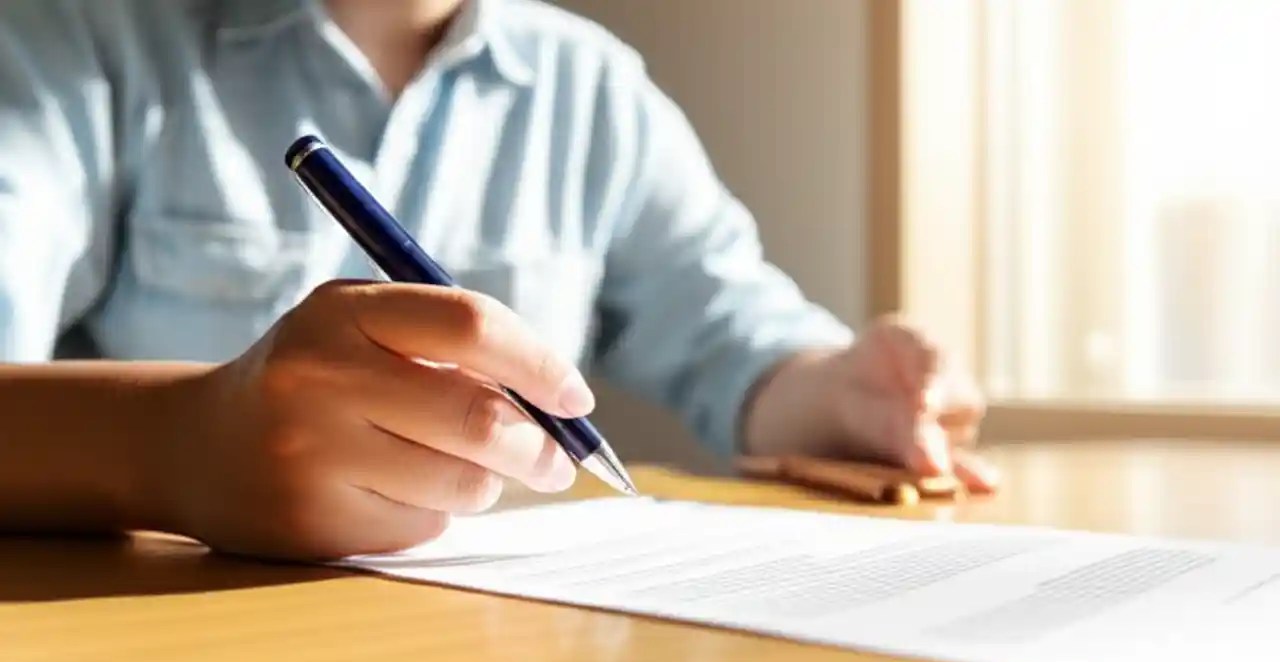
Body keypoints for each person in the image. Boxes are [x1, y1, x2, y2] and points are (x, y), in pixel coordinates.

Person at [0, 0, 994, 560]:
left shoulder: (591, 85)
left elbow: (730, 328)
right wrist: (179, 444)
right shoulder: (83, 38)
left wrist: (834, 390)